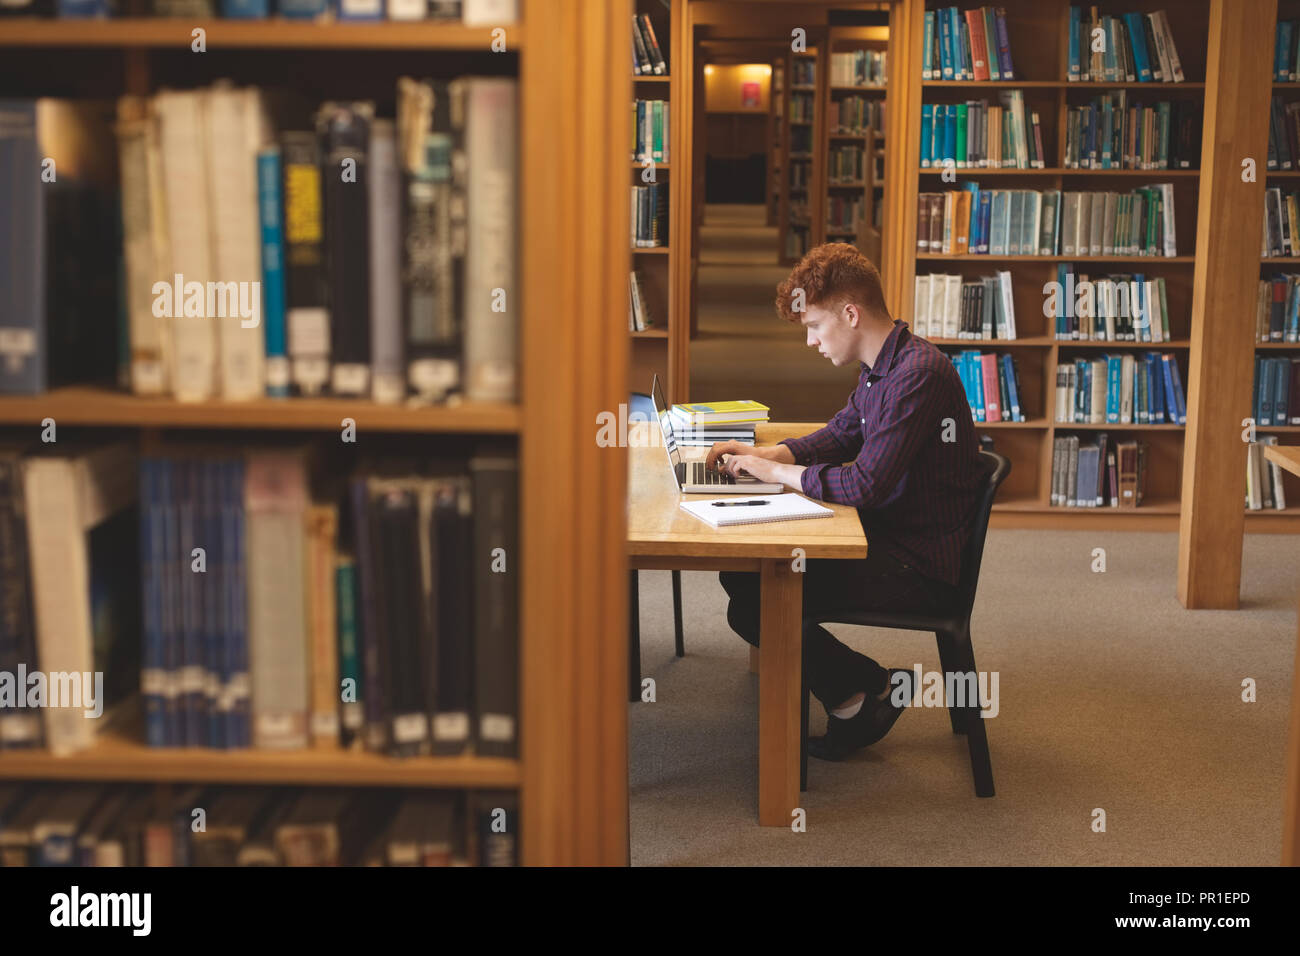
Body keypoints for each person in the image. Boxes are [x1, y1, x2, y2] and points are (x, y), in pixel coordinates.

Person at [704, 243, 984, 760]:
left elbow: (864, 486)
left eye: (814, 326)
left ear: (850, 314)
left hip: (917, 564)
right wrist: (764, 452)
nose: (810, 341)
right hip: (885, 533)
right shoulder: (884, 365)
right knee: (741, 575)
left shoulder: (917, 374)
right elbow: (840, 432)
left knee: (757, 598)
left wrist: (774, 472)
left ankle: (861, 695)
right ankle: (865, 686)